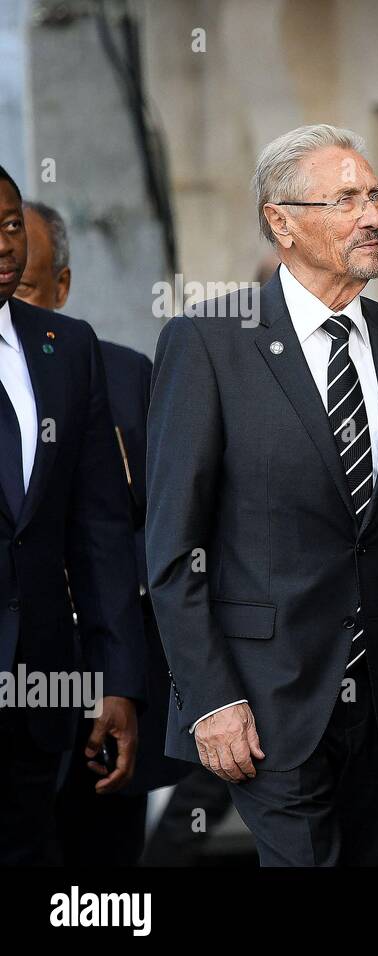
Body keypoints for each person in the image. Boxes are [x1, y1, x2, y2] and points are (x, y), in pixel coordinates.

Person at [146, 124, 378, 866]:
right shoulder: (210, 342)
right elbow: (171, 547)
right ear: (281, 222)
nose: (374, 216)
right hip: (266, 703)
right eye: (347, 199)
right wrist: (210, 699)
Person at [16, 200, 189, 864]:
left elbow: (157, 520)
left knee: (102, 875)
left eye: (26, 286)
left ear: (60, 287)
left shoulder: (122, 375)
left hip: (103, 679)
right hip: (16, 675)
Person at [0, 166, 147, 864]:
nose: (4, 245)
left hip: (40, 699)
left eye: (8, 227)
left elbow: (101, 531)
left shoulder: (67, 348)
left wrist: (116, 678)